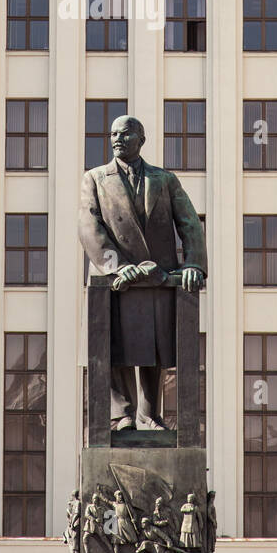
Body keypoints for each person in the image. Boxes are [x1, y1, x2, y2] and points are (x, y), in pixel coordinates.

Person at [78, 115, 207, 431]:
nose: (117, 139)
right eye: (113, 134)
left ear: (141, 139)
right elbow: (89, 228)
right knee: (117, 348)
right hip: (119, 280)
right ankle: (121, 414)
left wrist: (193, 264)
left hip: (157, 277)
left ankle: (150, 415)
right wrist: (118, 267)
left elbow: (189, 223)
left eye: (124, 134)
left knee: (154, 348)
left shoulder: (163, 180)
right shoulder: (95, 178)